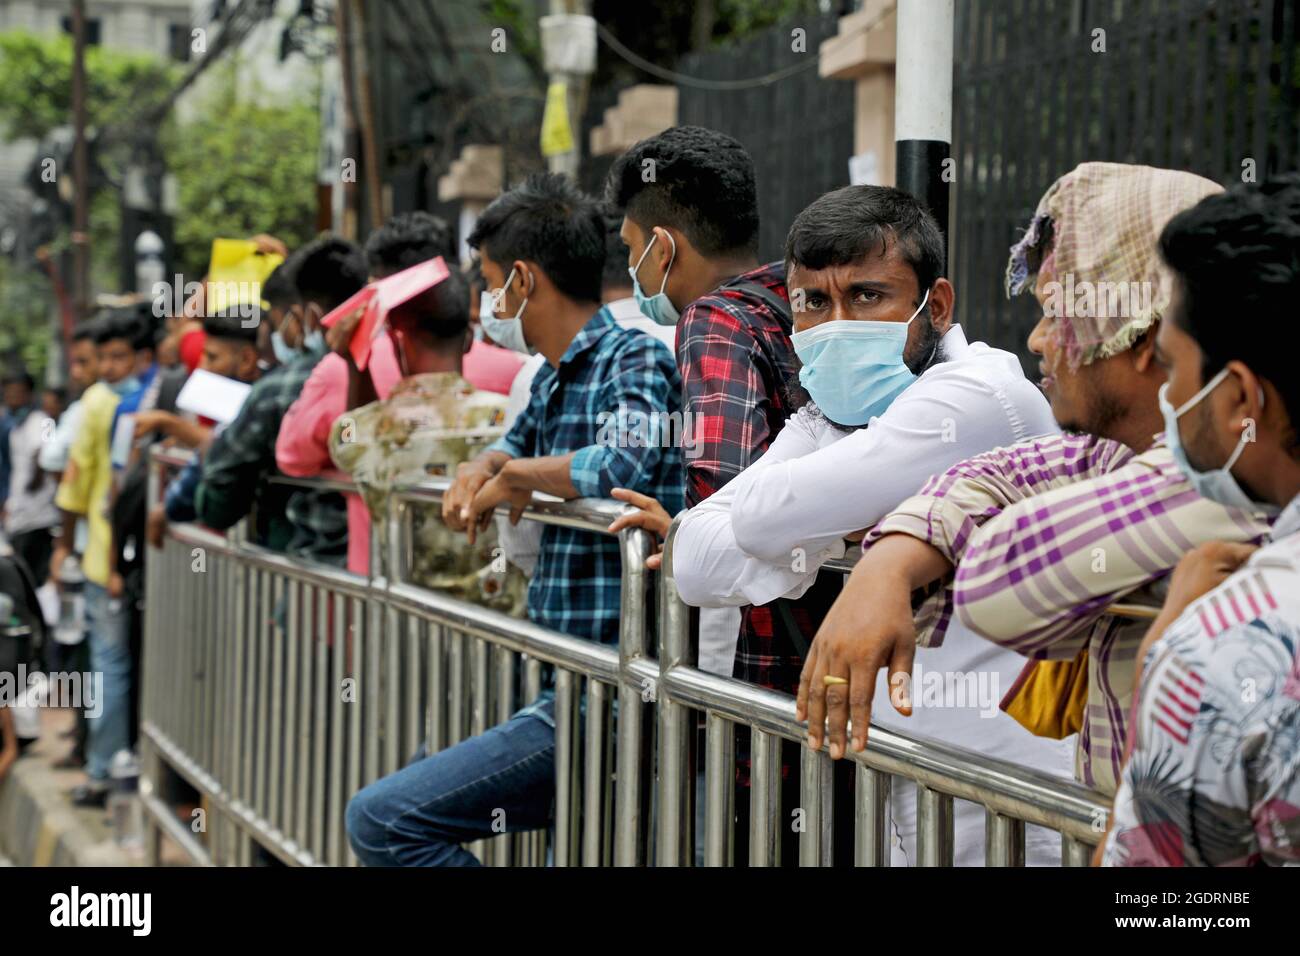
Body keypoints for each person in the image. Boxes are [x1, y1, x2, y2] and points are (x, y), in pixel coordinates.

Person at [800, 164, 1260, 799]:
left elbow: (999, 584)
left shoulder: (1215, 480)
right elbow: (996, 477)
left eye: (1057, 313)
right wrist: (886, 568)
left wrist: (892, 556)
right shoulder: (1113, 452)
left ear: (1140, 332)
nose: (1040, 339)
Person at [346, 173, 683, 866]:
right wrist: (483, 471)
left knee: (382, 822)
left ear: (523, 281)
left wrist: (513, 477)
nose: (486, 303)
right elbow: (506, 448)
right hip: (552, 678)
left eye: (491, 281)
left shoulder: (634, 356)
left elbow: (621, 465)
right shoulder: (553, 375)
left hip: (610, 696)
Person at [1100, 175, 1300, 866]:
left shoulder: (1221, 652)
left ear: (1241, 396)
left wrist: (1164, 652)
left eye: (1173, 365)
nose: (1169, 396)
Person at [607, 125, 803, 685]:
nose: (632, 269)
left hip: (760, 650)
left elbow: (726, 501)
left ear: (662, 248)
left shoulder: (713, 320)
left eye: (630, 249)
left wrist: (681, 532)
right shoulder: (796, 297)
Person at [276, 212, 524, 577]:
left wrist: (354, 363)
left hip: (391, 597)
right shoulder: (516, 381)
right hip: (499, 611)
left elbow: (292, 456)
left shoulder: (345, 389)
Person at [326, 268, 521, 612]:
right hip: (499, 623)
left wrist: (357, 364)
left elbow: (350, 442)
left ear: (399, 342)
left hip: (406, 624)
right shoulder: (512, 417)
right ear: (467, 339)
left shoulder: (359, 429)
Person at [195, 238, 365, 563]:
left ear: (304, 317)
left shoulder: (285, 386)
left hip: (316, 569)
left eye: (274, 324)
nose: (272, 336)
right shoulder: (398, 364)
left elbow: (222, 492)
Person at [52, 310, 145, 805]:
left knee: (108, 666)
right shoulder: (142, 398)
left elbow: (76, 483)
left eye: (116, 356)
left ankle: (103, 769)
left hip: (103, 560)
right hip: (135, 559)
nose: (107, 367)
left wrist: (65, 546)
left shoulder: (96, 405)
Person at [2, 371, 60, 584]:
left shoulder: (44, 421)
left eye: (16, 393)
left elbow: (50, 454)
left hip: (40, 515)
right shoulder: (15, 427)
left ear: (29, 394)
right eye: (7, 393)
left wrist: (35, 482)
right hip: (20, 514)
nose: (11, 398)